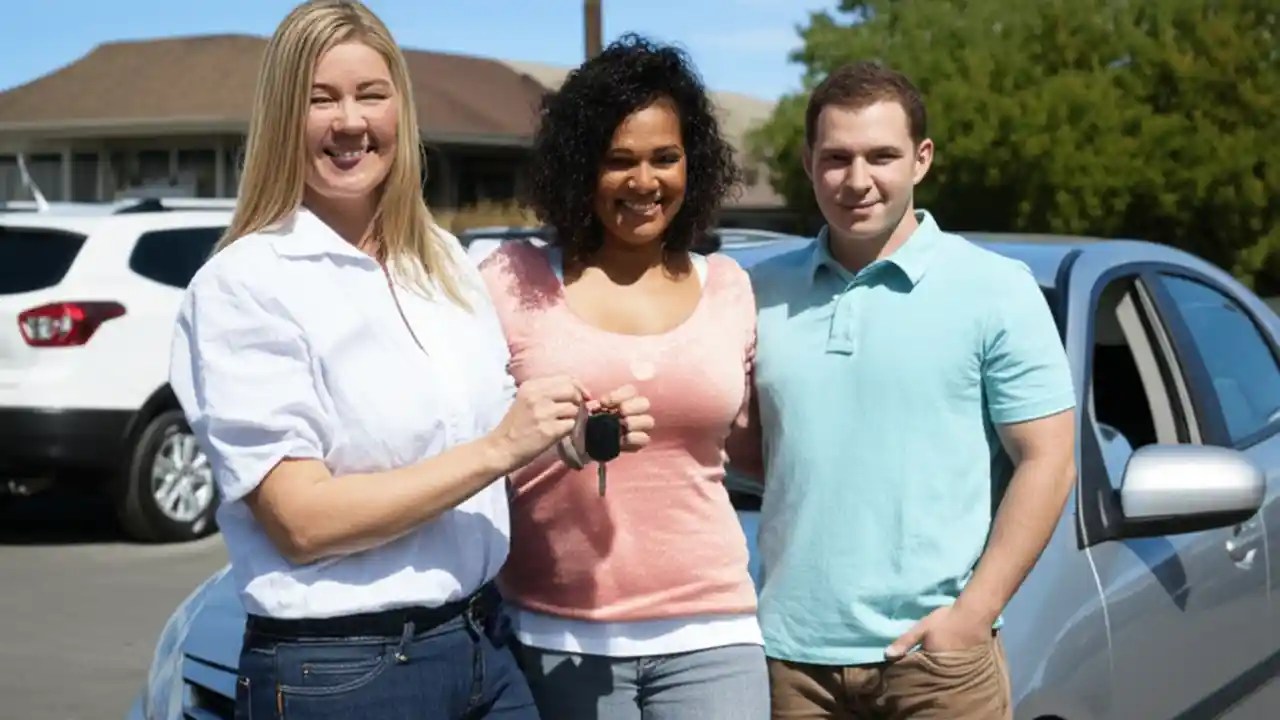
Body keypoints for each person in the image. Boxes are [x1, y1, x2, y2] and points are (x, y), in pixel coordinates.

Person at [167, 2, 651, 718]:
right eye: (320, 98)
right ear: (280, 118)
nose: (351, 122)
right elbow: (302, 522)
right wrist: (497, 450)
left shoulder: (445, 264)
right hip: (344, 673)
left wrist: (564, 436)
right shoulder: (245, 285)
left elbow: (481, 443)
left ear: (402, 108)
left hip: (484, 643)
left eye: (371, 94)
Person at [737, 61, 1078, 719]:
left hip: (935, 665)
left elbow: (1050, 460)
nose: (857, 179)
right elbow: (757, 449)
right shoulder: (757, 292)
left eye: (881, 156)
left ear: (921, 160)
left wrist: (973, 616)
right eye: (836, 157)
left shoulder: (997, 289)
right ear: (808, 162)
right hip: (786, 663)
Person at [476, 34, 769, 720]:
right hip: (554, 633)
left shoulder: (728, 287)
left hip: (714, 633)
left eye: (665, 157)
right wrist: (554, 438)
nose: (645, 182)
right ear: (581, 168)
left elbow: (760, 450)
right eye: (619, 161)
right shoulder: (511, 279)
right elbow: (467, 442)